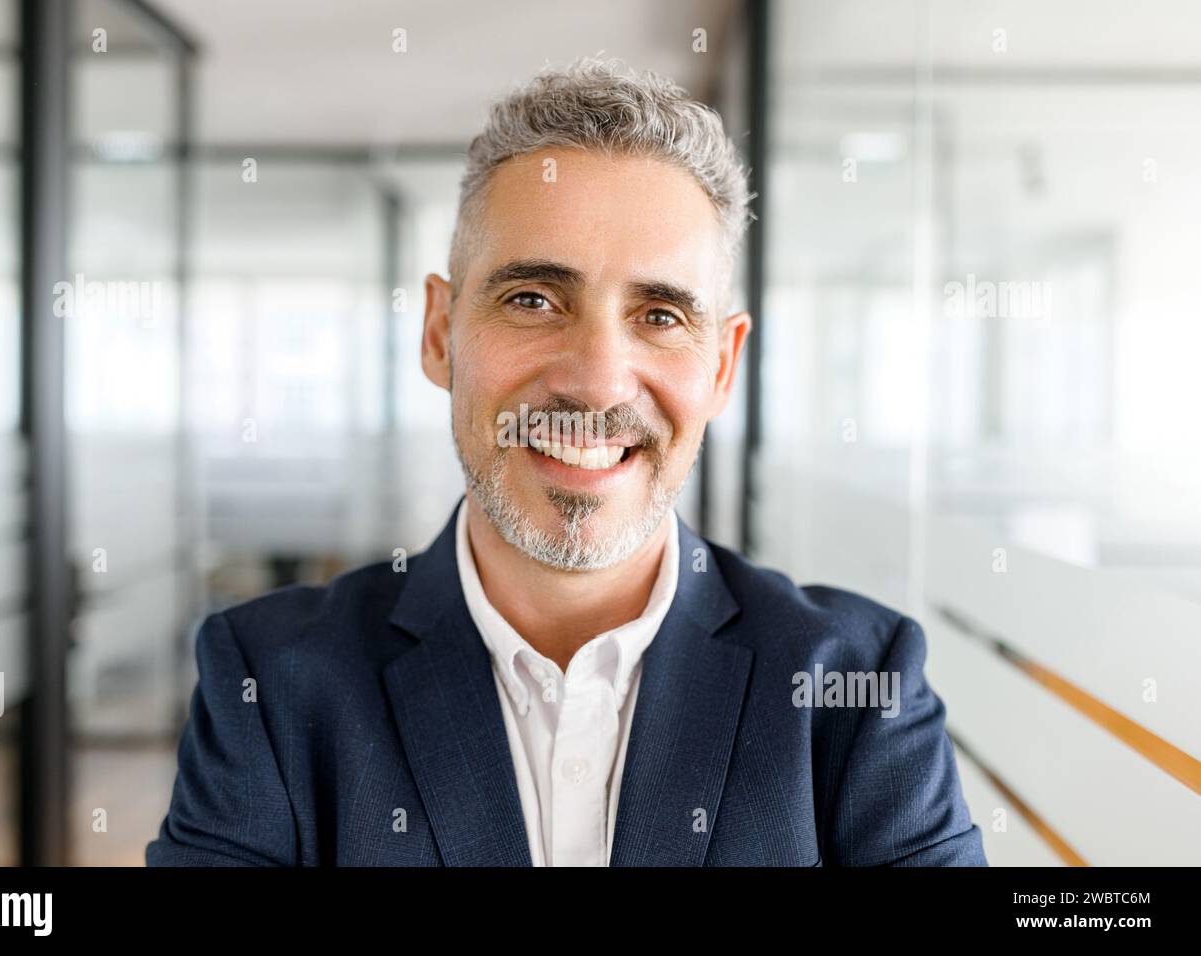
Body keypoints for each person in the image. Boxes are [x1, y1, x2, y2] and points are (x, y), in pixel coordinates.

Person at [147, 57, 986, 867]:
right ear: (440, 332)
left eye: (660, 315)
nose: (595, 381)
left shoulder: (858, 689)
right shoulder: (271, 684)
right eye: (534, 300)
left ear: (723, 367)